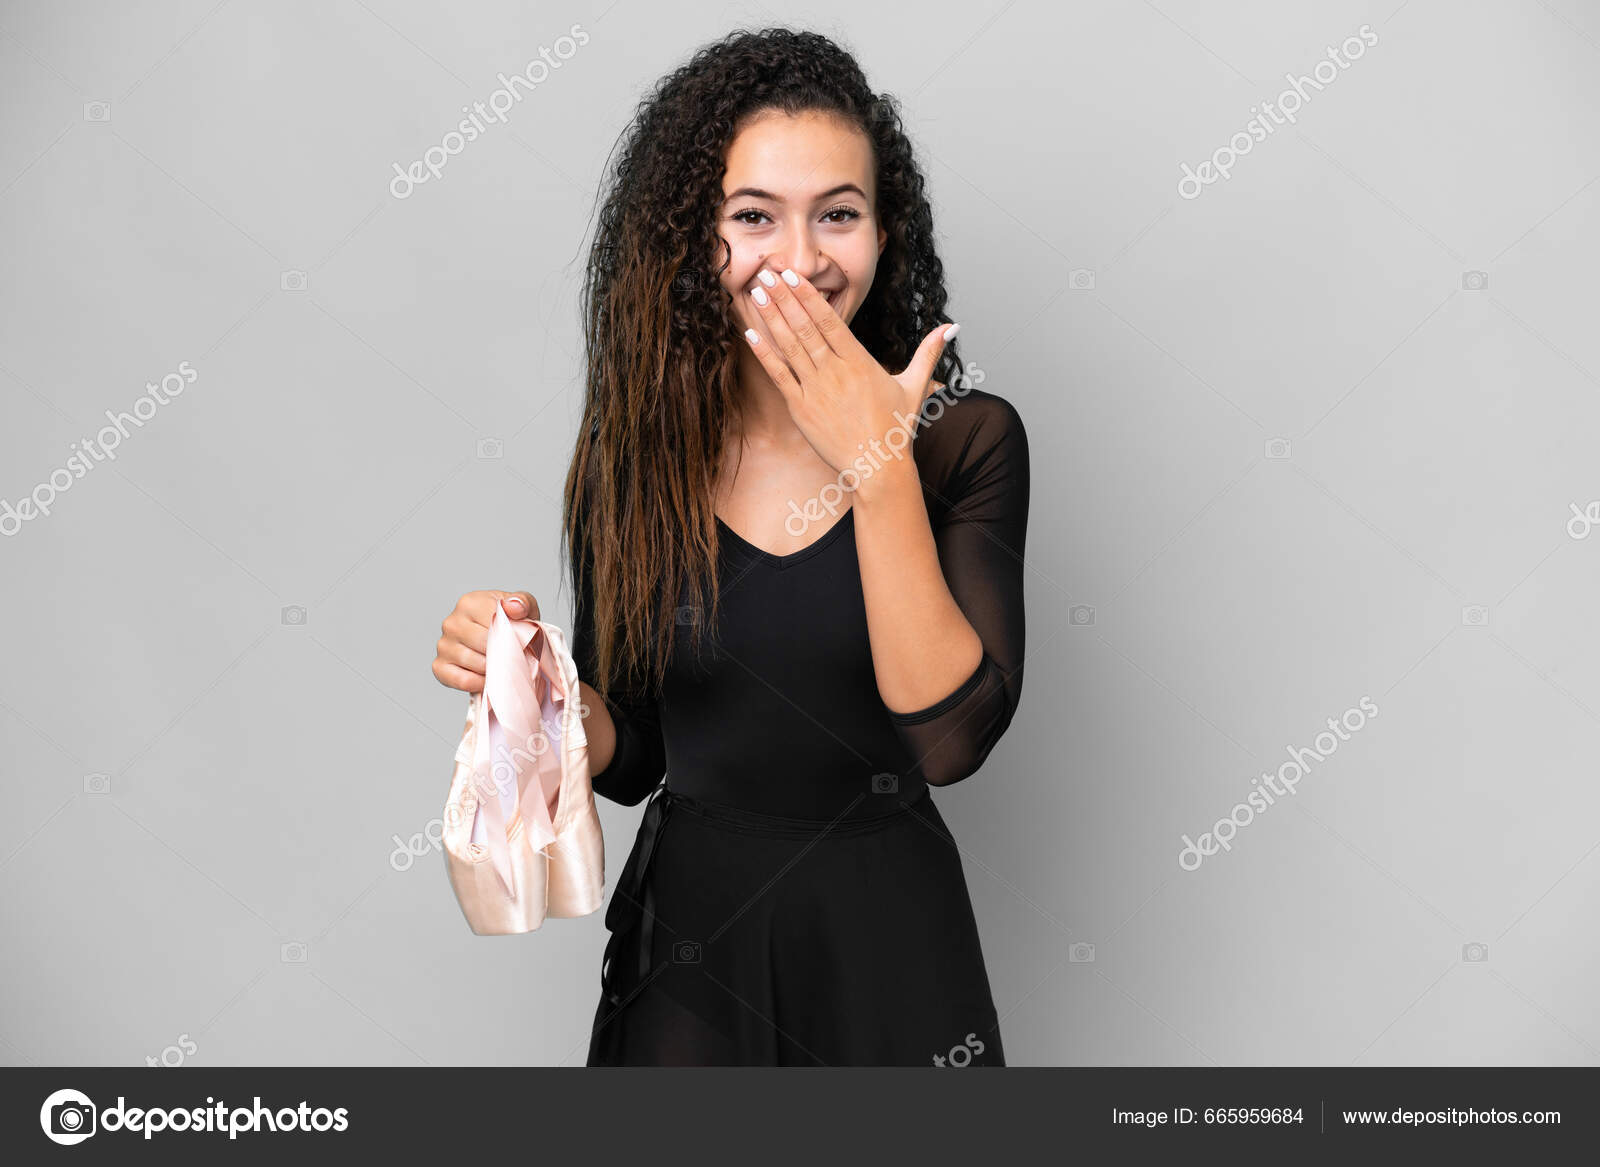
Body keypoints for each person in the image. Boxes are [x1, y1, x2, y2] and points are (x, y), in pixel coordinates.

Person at [432, 27, 1028, 1066]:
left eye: (837, 214)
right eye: (754, 216)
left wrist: (879, 468)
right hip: (689, 948)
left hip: (891, 942)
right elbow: (642, 756)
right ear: (694, 238)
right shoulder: (638, 449)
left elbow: (949, 742)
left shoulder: (965, 442)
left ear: (884, 233)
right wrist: (534, 677)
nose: (799, 259)